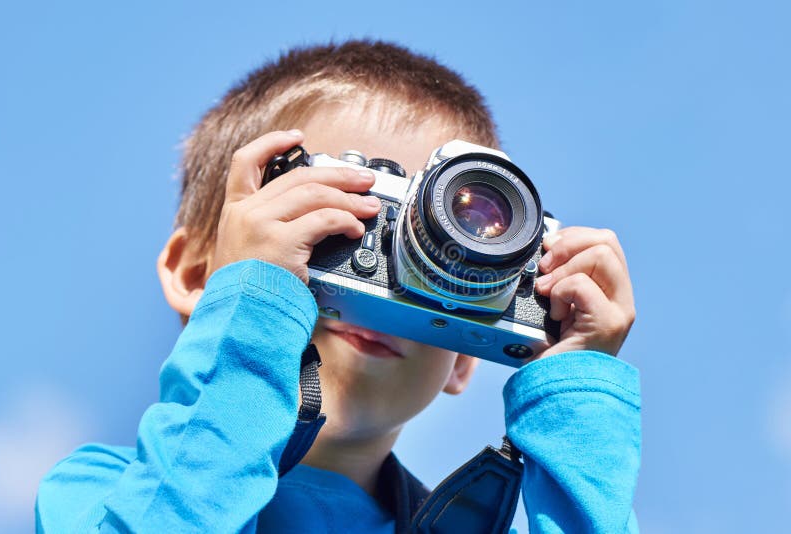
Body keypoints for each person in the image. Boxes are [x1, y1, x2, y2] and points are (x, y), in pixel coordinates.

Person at [36, 40, 640, 533]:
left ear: (465, 356)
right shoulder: (94, 493)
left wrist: (577, 399)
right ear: (200, 275)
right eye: (344, 219)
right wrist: (259, 300)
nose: (398, 266)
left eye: (446, 254)